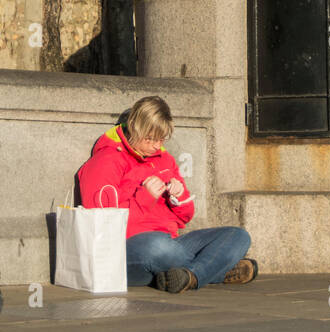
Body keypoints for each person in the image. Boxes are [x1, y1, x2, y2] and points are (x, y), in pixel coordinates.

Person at [77, 95, 256, 293]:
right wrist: (144, 197)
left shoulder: (164, 159)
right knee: (158, 246)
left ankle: (188, 277)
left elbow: (185, 218)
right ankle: (215, 271)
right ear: (134, 129)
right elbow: (102, 223)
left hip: (171, 243)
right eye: (150, 139)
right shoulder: (107, 160)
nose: (156, 145)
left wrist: (178, 198)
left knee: (238, 235)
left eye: (161, 139)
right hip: (128, 249)